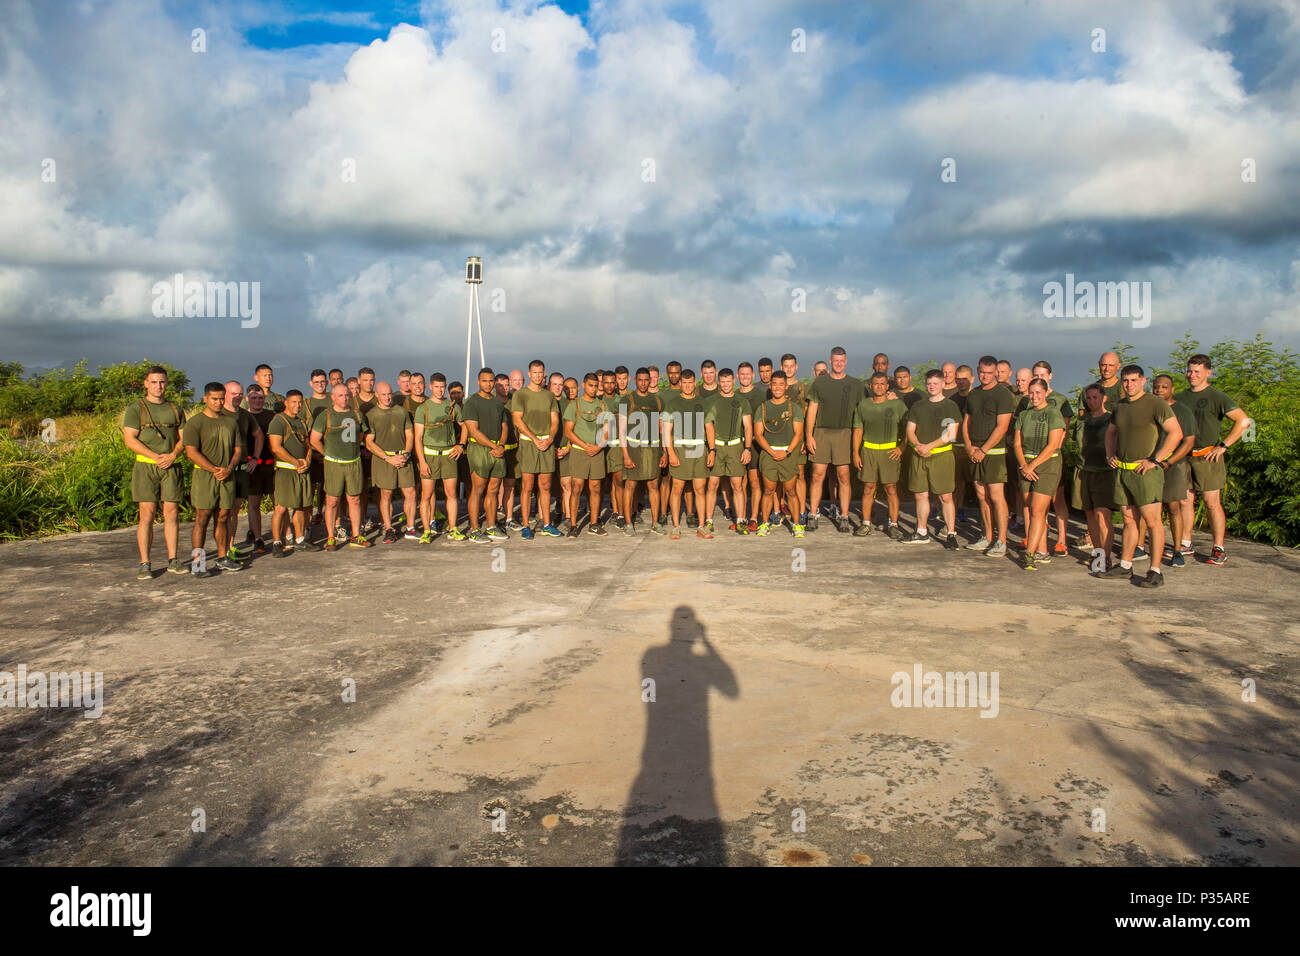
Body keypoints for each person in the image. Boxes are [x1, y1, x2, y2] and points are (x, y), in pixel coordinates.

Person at [1099, 365, 1183, 587]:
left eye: (1134, 380)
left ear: (1143, 381)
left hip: (1145, 472)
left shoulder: (1156, 404)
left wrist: (1155, 460)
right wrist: (1110, 454)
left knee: (1153, 522)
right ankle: (1125, 566)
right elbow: (1111, 432)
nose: (1129, 385)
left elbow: (1176, 433)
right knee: (1128, 520)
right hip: (1123, 470)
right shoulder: (1120, 406)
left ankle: (1155, 571)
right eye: (1126, 381)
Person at [1175, 354, 1251, 565]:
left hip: (1208, 456)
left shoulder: (1217, 397)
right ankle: (1186, 542)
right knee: (1185, 500)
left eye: (1197, 371)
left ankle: (1219, 548)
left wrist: (1223, 446)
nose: (1192, 375)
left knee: (1211, 503)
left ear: (1209, 372)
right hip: (1184, 456)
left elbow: (1244, 421)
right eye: (1189, 371)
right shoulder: (1179, 397)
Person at [121, 365, 187, 578]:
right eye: (154, 382)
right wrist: (154, 456)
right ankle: (145, 562)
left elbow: (184, 438)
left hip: (171, 465)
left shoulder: (175, 408)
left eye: (162, 382)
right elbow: (129, 439)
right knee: (146, 515)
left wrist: (173, 455)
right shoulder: (136, 409)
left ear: (167, 383)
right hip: (146, 466)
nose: (159, 386)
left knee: (172, 513)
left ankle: (173, 559)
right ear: (146, 384)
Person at [183, 381, 245, 574]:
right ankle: (198, 562)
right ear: (205, 399)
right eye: (214, 399)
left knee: (224, 516)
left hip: (227, 476)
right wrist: (213, 469)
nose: (218, 402)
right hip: (204, 476)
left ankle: (222, 557)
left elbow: (238, 449)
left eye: (221, 398)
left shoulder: (230, 422)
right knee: (202, 518)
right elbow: (191, 452)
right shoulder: (195, 422)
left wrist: (228, 468)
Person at [805, 346, 863, 532]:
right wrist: (809, 435)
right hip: (821, 432)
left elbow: (864, 410)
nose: (838, 364)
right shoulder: (820, 383)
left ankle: (844, 516)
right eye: (835, 360)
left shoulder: (856, 385)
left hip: (844, 433)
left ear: (845, 362)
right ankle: (812, 515)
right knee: (817, 475)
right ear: (830, 361)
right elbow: (812, 409)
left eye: (842, 361)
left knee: (843, 476)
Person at [901, 370, 961, 548]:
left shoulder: (950, 406)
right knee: (920, 495)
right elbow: (910, 430)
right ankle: (921, 531)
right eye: (929, 383)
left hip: (941, 457)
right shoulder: (918, 406)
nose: (932, 386)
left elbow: (951, 433)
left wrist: (929, 446)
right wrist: (919, 446)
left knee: (945, 496)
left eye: (935, 383)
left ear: (943, 384)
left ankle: (950, 533)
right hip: (920, 455)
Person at [962, 355, 1015, 556]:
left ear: (996, 373)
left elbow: (1002, 427)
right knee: (981, 496)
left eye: (989, 373)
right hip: (975, 453)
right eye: (982, 372)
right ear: (978, 371)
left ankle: (1001, 540)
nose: (985, 376)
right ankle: (987, 536)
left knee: (995, 496)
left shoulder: (1003, 395)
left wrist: (983, 450)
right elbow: (966, 422)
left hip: (993, 453)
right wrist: (969, 447)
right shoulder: (973, 394)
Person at [1013, 378, 1067, 570]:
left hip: (1047, 464)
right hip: (1025, 464)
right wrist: (1024, 465)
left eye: (1038, 392)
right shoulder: (1024, 415)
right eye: (1031, 392)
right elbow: (1017, 443)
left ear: (1045, 393)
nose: (1034, 396)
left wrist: (1032, 465)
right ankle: (1040, 549)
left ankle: (1030, 553)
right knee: (1030, 507)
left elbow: (1054, 444)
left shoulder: (1053, 413)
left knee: (1037, 510)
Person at [310, 383, 370, 551]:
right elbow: (314, 439)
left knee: (355, 499)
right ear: (333, 397)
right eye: (341, 395)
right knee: (332, 501)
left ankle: (356, 535)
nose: (345, 398)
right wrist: (326, 454)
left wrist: (356, 448)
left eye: (347, 395)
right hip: (334, 465)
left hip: (353, 462)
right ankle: (331, 537)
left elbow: (363, 433)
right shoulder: (325, 416)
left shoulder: (357, 414)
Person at [850, 372, 906, 538]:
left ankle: (893, 524)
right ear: (871, 386)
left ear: (887, 386)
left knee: (891, 488)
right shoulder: (864, 405)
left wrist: (902, 447)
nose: (880, 386)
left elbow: (910, 426)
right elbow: (858, 430)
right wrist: (855, 453)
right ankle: (866, 523)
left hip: (889, 452)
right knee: (868, 488)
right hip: (869, 450)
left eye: (883, 383)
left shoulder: (897, 405)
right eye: (876, 383)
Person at [511, 359, 562, 539]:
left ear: (544, 374)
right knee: (527, 486)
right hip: (528, 444)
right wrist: (534, 439)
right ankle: (526, 525)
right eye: (535, 372)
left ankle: (546, 524)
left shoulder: (549, 396)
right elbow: (517, 420)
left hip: (547, 444)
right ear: (529, 374)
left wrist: (550, 439)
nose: (538, 376)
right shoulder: (520, 395)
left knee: (546, 486)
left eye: (541, 373)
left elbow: (555, 420)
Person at [414, 373, 466, 542]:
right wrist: (422, 461)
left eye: (442, 387)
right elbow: (418, 437)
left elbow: (464, 426)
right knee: (426, 495)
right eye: (436, 387)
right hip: (429, 456)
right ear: (430, 387)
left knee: (451, 493)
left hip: (449, 455)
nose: (440, 390)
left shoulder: (452, 406)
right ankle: (427, 530)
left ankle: (453, 529)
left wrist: (461, 445)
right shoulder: (423, 408)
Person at [662, 369, 714, 538]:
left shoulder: (703, 403)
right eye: (684, 383)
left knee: (700, 489)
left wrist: (712, 450)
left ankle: (701, 526)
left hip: (699, 451)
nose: (687, 386)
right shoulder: (673, 404)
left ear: (695, 383)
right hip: (679, 450)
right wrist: (671, 453)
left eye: (690, 382)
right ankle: (676, 526)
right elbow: (666, 430)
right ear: (680, 384)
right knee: (677, 488)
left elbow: (709, 428)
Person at [1152, 374, 1197, 568]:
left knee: (1173, 507)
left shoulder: (1182, 411)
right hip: (1150, 464)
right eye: (1156, 387)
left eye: (1164, 387)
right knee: (1149, 507)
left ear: (1172, 389)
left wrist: (1168, 462)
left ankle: (1177, 550)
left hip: (1173, 465)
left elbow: (1188, 442)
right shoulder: (1150, 408)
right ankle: (1138, 547)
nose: (1160, 390)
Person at [754, 371, 804, 537]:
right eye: (774, 384)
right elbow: (759, 434)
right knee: (768, 491)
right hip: (769, 454)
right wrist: (771, 451)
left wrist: (787, 451)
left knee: (791, 491)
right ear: (770, 386)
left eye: (781, 384)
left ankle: (797, 525)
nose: (777, 388)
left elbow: (798, 433)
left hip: (787, 454)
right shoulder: (763, 407)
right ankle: (765, 523)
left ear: (786, 386)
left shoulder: (794, 408)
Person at [365, 382, 417, 544]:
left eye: (389, 394)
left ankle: (410, 528)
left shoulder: (401, 412)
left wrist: (406, 454)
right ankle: (388, 529)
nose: (387, 397)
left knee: (411, 493)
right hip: (384, 460)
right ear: (376, 395)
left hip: (403, 458)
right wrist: (388, 458)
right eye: (383, 394)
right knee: (386, 494)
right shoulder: (372, 415)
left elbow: (409, 434)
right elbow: (369, 442)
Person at [266, 389, 317, 556]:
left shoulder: (301, 422)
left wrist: (307, 461)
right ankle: (276, 542)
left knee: (301, 506)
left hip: (302, 471)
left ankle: (300, 539)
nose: (298, 405)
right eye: (294, 402)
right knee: (281, 507)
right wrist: (295, 462)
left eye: (300, 402)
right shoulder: (278, 421)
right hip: (286, 471)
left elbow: (308, 446)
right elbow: (275, 447)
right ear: (286, 403)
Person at [463, 368, 510, 543]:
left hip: (497, 450)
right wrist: (492, 446)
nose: (488, 384)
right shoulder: (471, 402)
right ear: (478, 382)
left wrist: (501, 445)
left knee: (493, 490)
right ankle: (475, 530)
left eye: (491, 381)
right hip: (480, 450)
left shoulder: (498, 403)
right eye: (485, 381)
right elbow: (473, 430)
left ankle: (491, 527)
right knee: (477, 490)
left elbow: (504, 426)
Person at [703, 368, 752, 535]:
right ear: (719, 382)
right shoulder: (712, 401)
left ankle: (740, 520)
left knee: (737, 486)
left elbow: (748, 426)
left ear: (734, 381)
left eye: (728, 381)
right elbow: (708, 426)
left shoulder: (742, 401)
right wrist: (711, 450)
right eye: (722, 382)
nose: (725, 385)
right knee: (712, 484)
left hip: (736, 447)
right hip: (717, 446)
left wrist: (747, 448)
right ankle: (708, 521)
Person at [222, 380, 264, 560]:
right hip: (223, 470)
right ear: (224, 394)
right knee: (223, 511)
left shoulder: (246, 416)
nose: (237, 397)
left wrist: (255, 457)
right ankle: (222, 551)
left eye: (240, 394)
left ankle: (230, 547)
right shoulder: (218, 414)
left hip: (241, 469)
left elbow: (259, 435)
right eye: (234, 393)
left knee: (235, 510)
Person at [1076, 384, 1116, 573]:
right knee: (1090, 514)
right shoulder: (1082, 420)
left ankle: (1106, 557)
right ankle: (1097, 553)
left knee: (1102, 514)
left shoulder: (1111, 419)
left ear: (1104, 398)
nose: (1092, 401)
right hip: (1085, 469)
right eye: (1089, 398)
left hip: (1104, 471)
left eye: (1095, 397)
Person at [563, 372, 609, 537]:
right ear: (583, 385)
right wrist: (585, 445)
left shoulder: (602, 405)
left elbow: (607, 432)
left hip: (597, 452)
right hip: (579, 452)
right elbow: (568, 431)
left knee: (595, 488)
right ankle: (573, 525)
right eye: (590, 385)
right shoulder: (574, 405)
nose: (593, 388)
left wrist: (598, 447)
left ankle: (594, 523)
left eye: (596, 386)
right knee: (576, 488)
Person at [621, 367, 666, 535]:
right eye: (640, 380)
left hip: (653, 448)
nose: (643, 383)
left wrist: (665, 452)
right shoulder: (627, 400)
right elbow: (622, 430)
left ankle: (655, 522)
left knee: (654, 485)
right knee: (631, 485)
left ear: (650, 381)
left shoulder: (658, 400)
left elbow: (662, 428)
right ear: (635, 380)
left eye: (646, 380)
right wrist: (625, 454)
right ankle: (627, 523)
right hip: (634, 448)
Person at [244, 383, 278, 550]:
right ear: (247, 399)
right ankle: (257, 538)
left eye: (260, 398)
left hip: (271, 465)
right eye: (253, 398)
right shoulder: (243, 417)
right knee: (254, 503)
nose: (257, 401)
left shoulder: (272, 416)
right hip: (253, 466)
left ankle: (281, 535)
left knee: (278, 502)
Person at [736, 361, 766, 533]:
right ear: (738, 376)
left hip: (755, 444)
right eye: (742, 373)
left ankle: (754, 517)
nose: (745, 376)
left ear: (753, 376)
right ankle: (742, 517)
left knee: (755, 482)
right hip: (737, 444)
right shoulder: (732, 395)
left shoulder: (760, 396)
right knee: (740, 482)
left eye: (748, 374)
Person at [602, 369, 627, 528]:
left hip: (617, 446)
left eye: (613, 382)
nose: (610, 385)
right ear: (602, 383)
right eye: (607, 382)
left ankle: (620, 513)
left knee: (618, 481)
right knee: (602, 482)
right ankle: (599, 513)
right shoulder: (597, 401)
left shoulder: (622, 401)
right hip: (601, 447)